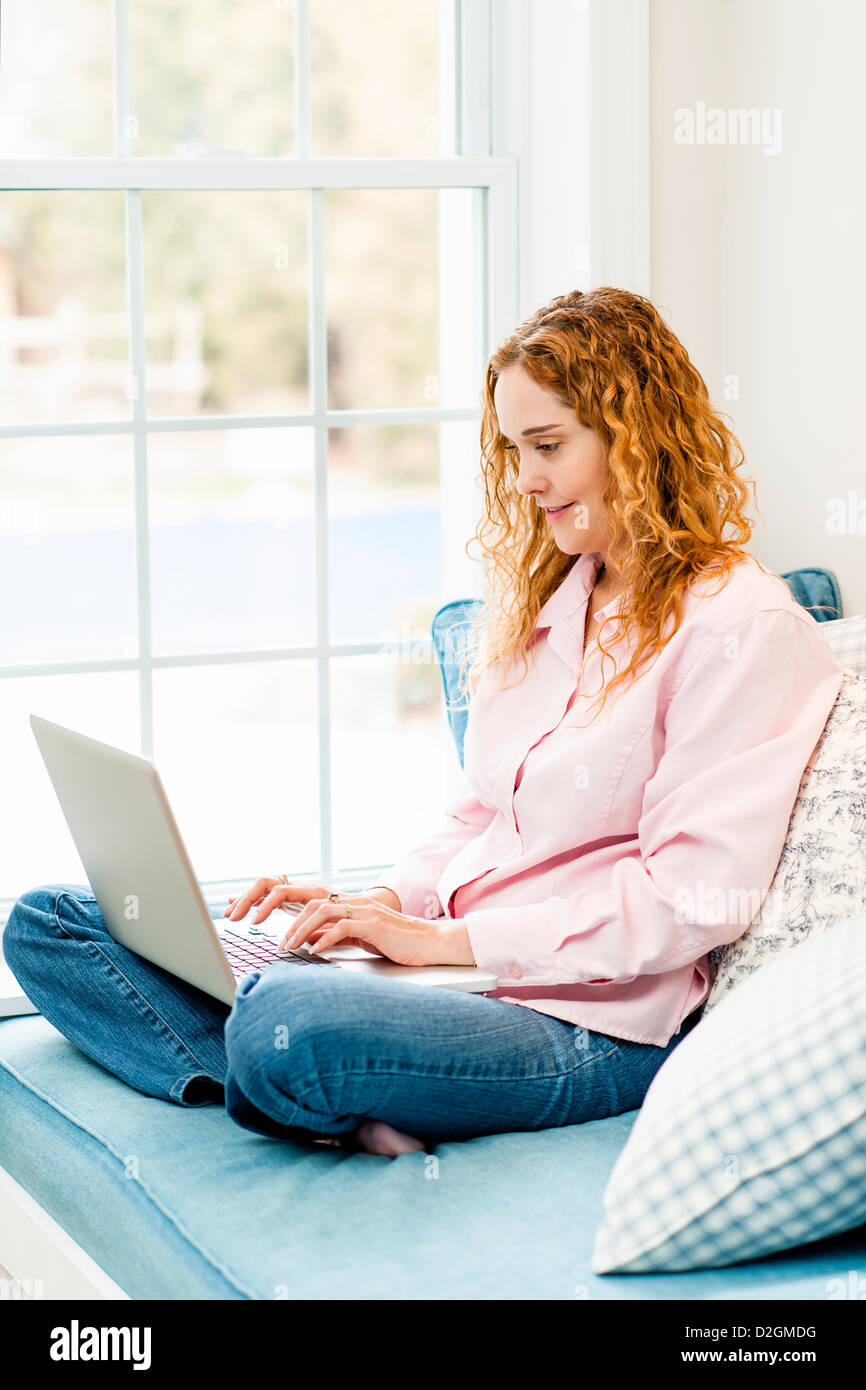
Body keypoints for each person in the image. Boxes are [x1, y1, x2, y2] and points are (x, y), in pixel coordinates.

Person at [3, 287, 843, 1158]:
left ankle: (297, 1070)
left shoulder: (740, 626)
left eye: (549, 446)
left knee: (287, 1019)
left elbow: (692, 901)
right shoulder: (558, 602)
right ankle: (306, 1090)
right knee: (50, 922)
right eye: (517, 450)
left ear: (640, 436)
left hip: (587, 1022)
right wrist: (380, 905)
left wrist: (445, 941)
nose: (527, 479)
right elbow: (478, 817)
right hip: (457, 976)